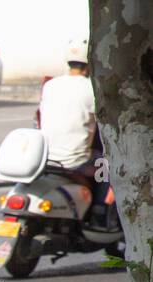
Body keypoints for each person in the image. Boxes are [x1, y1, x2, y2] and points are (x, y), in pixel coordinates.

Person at [38, 39, 118, 230]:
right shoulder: (91, 88)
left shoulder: (51, 85)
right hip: (76, 160)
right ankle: (100, 210)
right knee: (107, 166)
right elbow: (107, 118)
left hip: (44, 157)